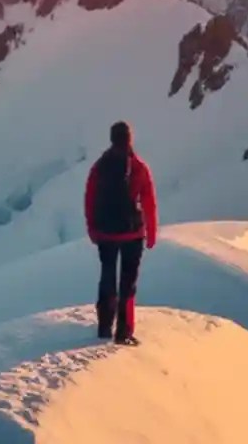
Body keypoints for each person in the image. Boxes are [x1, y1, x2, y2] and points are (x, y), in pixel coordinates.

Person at [84, 121, 158, 346]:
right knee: (128, 282)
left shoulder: (99, 167)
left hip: (105, 234)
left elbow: (90, 199)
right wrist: (151, 232)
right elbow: (149, 202)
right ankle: (124, 332)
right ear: (129, 140)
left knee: (107, 278)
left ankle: (105, 326)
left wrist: (92, 228)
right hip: (132, 234)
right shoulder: (138, 167)